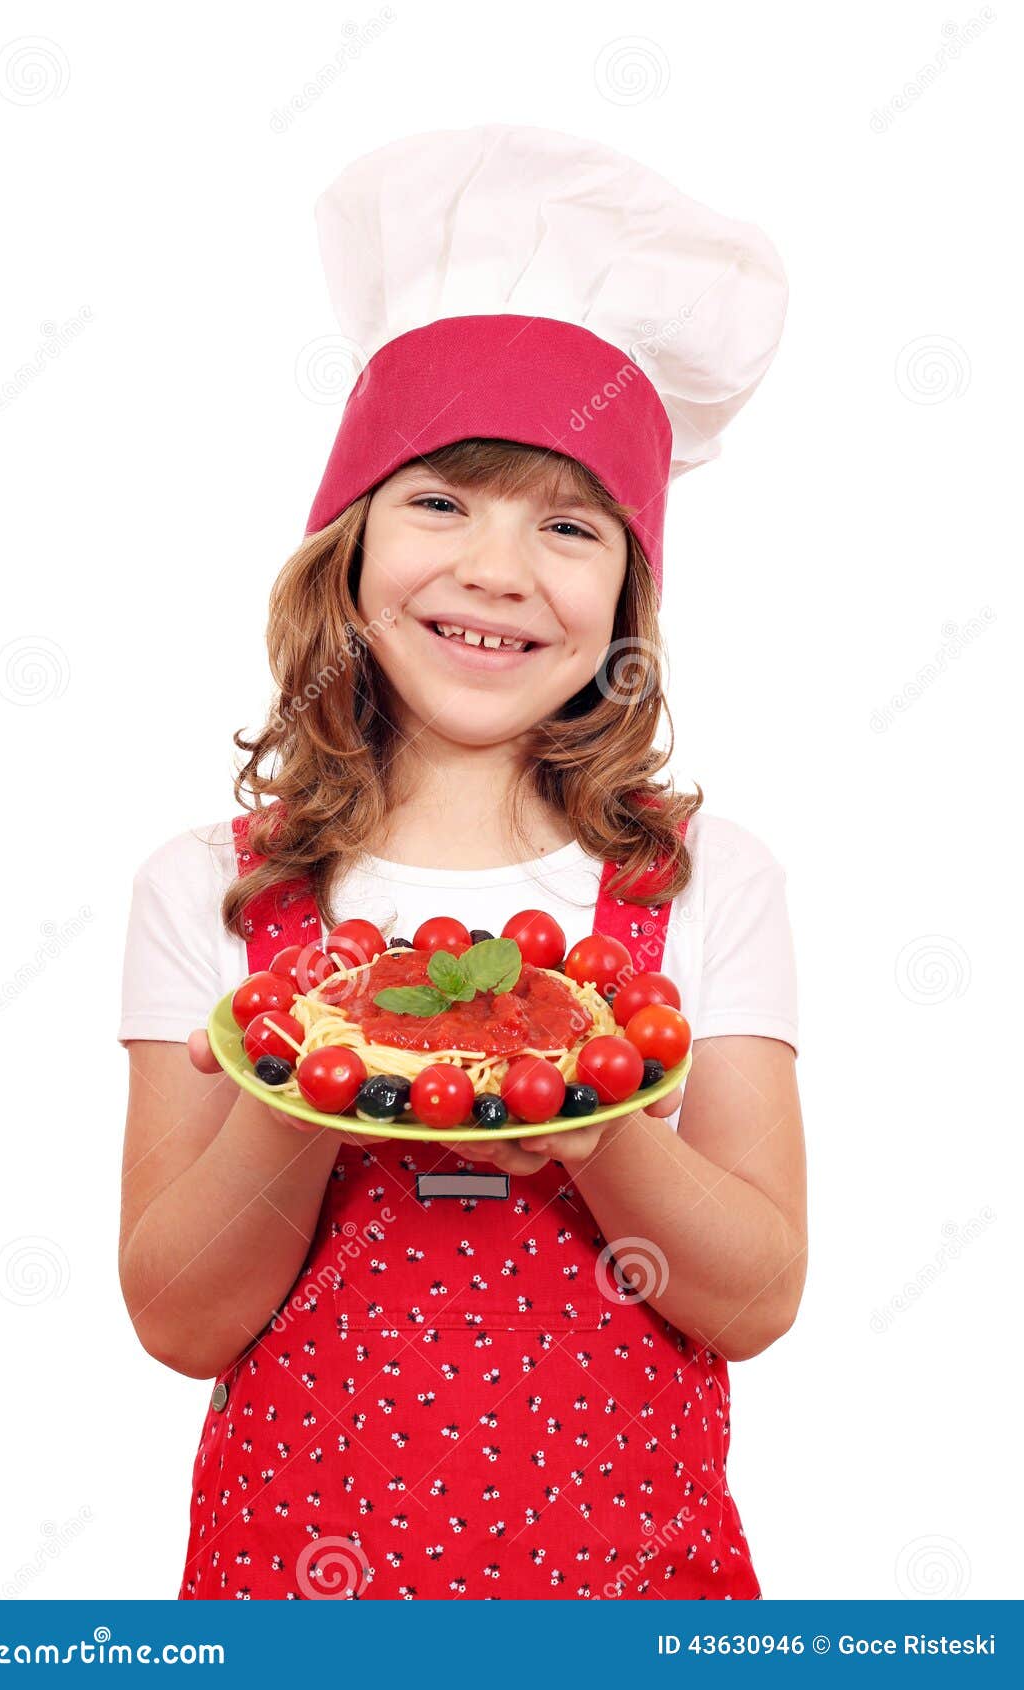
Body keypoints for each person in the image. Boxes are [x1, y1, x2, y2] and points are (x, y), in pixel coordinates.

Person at [117, 124, 804, 1601]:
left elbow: (753, 1298)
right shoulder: (216, 887)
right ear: (348, 548)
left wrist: (597, 1125)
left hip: (632, 1613)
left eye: (567, 523)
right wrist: (308, 1080)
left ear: (627, 592)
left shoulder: (700, 880)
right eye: (440, 501)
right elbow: (181, 1323)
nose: (496, 569)